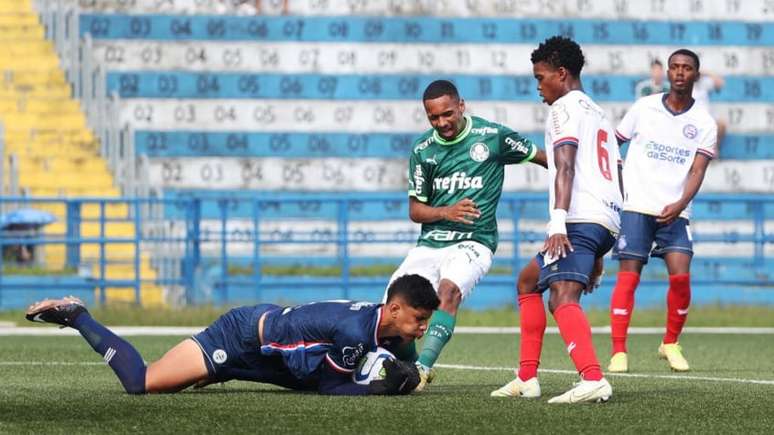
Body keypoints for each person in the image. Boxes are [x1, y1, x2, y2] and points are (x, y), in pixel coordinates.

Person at [385, 79, 548, 390]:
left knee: (448, 292)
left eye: (448, 113)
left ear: (461, 106)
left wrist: (586, 178)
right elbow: (416, 210)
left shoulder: (492, 137)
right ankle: (406, 365)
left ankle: (421, 369)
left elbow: (545, 158)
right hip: (430, 243)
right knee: (394, 307)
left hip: (475, 241)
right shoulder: (423, 149)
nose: (442, 122)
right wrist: (446, 211)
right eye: (434, 117)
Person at [25, 274, 439, 395]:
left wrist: (405, 373)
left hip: (261, 354)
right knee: (143, 383)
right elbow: (328, 386)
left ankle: (212, 373)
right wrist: (378, 387)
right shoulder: (354, 330)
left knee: (193, 380)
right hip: (238, 338)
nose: (421, 328)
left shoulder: (390, 328)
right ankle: (77, 315)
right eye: (418, 319)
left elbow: (400, 359)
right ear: (395, 308)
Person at [491, 36, 622, 403]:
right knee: (528, 282)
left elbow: (564, 165)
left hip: (579, 218)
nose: (538, 87)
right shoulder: (599, 114)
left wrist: (558, 222)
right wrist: (599, 250)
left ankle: (592, 377)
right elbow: (616, 172)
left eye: (541, 77)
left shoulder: (563, 108)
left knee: (562, 295)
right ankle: (527, 377)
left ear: (561, 74)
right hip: (605, 219)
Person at [608, 49, 716, 374]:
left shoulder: (704, 122)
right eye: (675, 67)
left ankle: (669, 343)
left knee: (681, 276)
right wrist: (621, 183)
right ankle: (618, 351)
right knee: (629, 278)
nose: (680, 73)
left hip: (676, 211)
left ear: (696, 75)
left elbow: (697, 171)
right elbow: (614, 143)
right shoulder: (643, 107)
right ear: (667, 72)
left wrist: (680, 204)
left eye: (687, 68)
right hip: (637, 206)